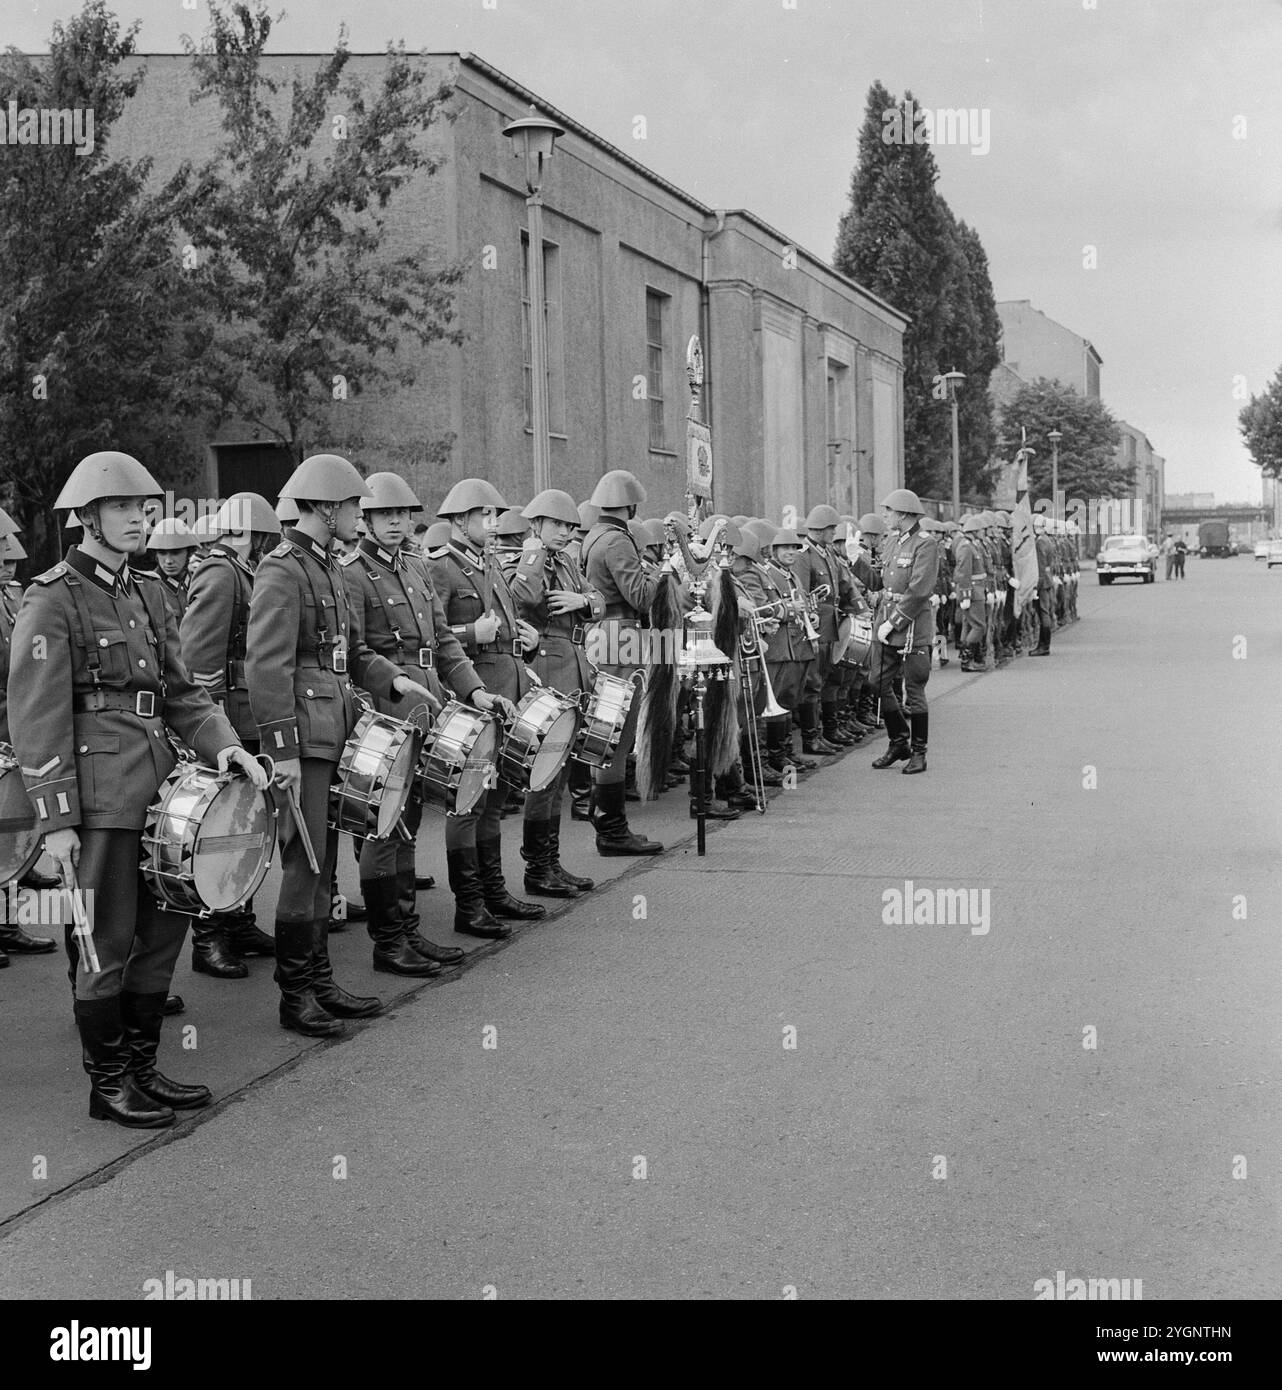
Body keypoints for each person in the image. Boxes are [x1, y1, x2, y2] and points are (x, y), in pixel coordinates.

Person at [7, 451, 267, 1126]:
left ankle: (143, 1068)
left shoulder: (148, 591)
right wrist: (56, 817)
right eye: (120, 507)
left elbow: (182, 692)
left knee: (161, 933)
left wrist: (228, 746)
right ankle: (109, 1084)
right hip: (97, 799)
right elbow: (36, 716)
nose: (137, 518)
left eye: (143, 507)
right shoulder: (54, 596)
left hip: (158, 791)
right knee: (103, 939)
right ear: (87, 517)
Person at [245, 453, 439, 1038]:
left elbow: (349, 653)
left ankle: (320, 982)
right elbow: (266, 666)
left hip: (336, 727)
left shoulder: (328, 566)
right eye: (355, 505)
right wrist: (279, 751)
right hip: (302, 739)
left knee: (325, 862)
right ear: (328, 509)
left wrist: (392, 679)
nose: (361, 513)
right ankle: (295, 996)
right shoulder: (283, 570)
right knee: (305, 865)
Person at [339, 471, 489, 974]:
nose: (396, 522)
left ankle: (406, 928)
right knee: (384, 823)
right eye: (385, 514)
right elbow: (354, 652)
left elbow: (444, 641)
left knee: (410, 820)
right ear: (366, 518)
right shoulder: (352, 572)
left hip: (428, 705)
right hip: (385, 711)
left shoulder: (418, 567)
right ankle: (388, 943)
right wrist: (382, 697)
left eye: (403, 514)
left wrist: (474, 689)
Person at [427, 478, 543, 933]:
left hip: (505, 697)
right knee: (467, 802)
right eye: (485, 517)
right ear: (459, 520)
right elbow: (434, 640)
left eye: (494, 516)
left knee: (495, 800)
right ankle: (469, 904)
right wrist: (469, 635)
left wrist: (527, 644)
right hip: (471, 698)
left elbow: (506, 632)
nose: (493, 525)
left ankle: (493, 892)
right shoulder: (441, 567)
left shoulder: (490, 565)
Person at [178, 492, 282, 977]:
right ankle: (209, 937)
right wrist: (216, 736)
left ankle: (238, 920)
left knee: (245, 827)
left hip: (245, 718)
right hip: (227, 725)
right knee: (218, 830)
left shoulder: (240, 569)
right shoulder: (220, 573)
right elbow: (198, 662)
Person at [508, 488, 605, 895]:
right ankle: (536, 870)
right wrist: (533, 552)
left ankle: (551, 862)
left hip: (574, 672)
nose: (565, 532)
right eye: (557, 525)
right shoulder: (525, 562)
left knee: (560, 775)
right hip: (546, 676)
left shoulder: (566, 562)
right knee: (542, 778)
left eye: (569, 526)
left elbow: (600, 600)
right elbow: (522, 598)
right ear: (536, 525)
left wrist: (581, 599)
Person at [580, 470, 666, 854]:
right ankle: (612, 832)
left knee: (607, 732)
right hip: (620, 638)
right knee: (617, 734)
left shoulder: (594, 536)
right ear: (629, 504)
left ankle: (611, 827)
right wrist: (660, 572)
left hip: (603, 635)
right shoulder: (617, 541)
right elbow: (641, 597)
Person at [856, 488, 938, 774]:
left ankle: (919, 752)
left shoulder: (925, 544)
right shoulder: (892, 542)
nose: (885, 516)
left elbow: (918, 590)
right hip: (886, 624)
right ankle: (898, 740)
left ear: (903, 513)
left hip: (911, 625)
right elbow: (881, 582)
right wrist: (856, 561)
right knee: (876, 681)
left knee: (914, 691)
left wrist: (895, 621)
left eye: (888, 511)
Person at [146, 517, 200, 621]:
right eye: (162, 553)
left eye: (175, 553)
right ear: (156, 555)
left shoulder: (198, 581)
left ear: (189, 553)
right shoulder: (149, 587)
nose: (168, 561)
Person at [1031, 515, 1056, 656]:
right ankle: (1043, 644)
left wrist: (1036, 586)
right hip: (1047, 579)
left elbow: (1040, 566)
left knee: (1043, 612)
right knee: (1044, 612)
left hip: (1042, 581)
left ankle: (1044, 646)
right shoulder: (1046, 539)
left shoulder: (1039, 542)